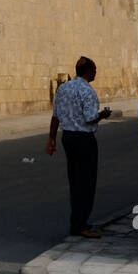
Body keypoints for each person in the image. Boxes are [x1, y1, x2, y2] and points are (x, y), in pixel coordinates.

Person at [46, 56, 112, 237]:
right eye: (95, 71)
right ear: (89, 71)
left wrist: (51, 139)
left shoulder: (63, 88)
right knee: (87, 183)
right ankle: (80, 225)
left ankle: (77, 222)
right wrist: (104, 115)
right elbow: (90, 118)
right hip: (84, 139)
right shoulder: (88, 91)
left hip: (67, 138)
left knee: (75, 181)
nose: (96, 74)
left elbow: (55, 116)